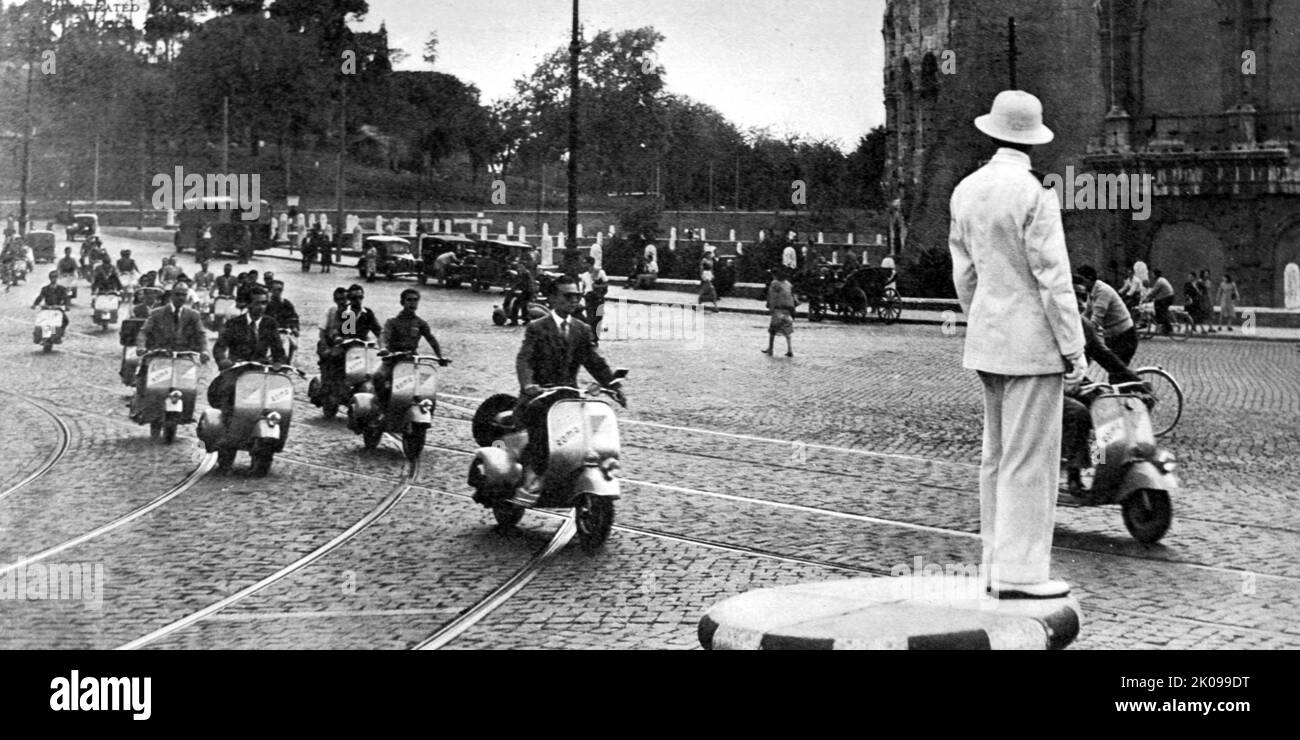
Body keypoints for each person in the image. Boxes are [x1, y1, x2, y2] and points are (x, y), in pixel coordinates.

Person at [948, 89, 1085, 600]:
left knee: (996, 456)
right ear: (1033, 140)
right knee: (1031, 460)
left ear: (992, 131)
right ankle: (1022, 574)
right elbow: (1055, 280)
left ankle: (993, 565)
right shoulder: (1034, 194)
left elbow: (964, 275)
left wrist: (981, 319)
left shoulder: (965, 191)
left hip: (988, 341)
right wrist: (1074, 349)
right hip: (1033, 346)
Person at [512, 276, 619, 506]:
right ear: (552, 298)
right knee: (541, 431)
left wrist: (612, 384)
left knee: (587, 432)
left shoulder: (581, 329)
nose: (573, 300)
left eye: (577, 296)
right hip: (539, 397)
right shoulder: (536, 328)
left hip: (568, 396)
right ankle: (533, 476)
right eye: (567, 296)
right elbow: (525, 359)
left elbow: (593, 360)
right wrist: (528, 385)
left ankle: (571, 471)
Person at [1061, 283, 1145, 496]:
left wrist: (1136, 381)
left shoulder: (1085, 326)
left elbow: (1106, 357)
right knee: (1079, 414)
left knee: (1108, 405)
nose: (1079, 302)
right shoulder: (1055, 325)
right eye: (1074, 296)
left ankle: (1103, 464)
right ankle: (1073, 475)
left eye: (1084, 297)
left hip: (1077, 382)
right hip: (1050, 386)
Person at [134, 281, 210, 418]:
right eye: (178, 294)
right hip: (160, 354)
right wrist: (141, 347)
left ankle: (188, 410)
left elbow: (202, 334)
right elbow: (144, 331)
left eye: (184, 295)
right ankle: (140, 408)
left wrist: (204, 351)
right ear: (171, 295)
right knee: (143, 377)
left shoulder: (193, 315)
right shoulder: (157, 313)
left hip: (184, 356)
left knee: (193, 383)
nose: (181, 298)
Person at [208, 285, 286, 411]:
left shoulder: (270, 323)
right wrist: (223, 360)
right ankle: (228, 423)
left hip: (261, 370)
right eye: (257, 303)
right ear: (248, 304)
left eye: (264, 303)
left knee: (276, 399)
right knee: (228, 393)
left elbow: (278, 350)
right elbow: (219, 347)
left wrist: (279, 363)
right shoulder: (234, 323)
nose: (261, 307)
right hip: (237, 369)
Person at [374, 289, 450, 405]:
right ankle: (382, 406)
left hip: (412, 360)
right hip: (393, 360)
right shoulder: (392, 322)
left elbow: (431, 339)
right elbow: (383, 336)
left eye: (415, 300)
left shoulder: (420, 323)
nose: (412, 303)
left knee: (425, 387)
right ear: (402, 302)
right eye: (409, 300)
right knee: (379, 377)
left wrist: (440, 357)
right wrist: (383, 349)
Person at [1075, 265, 1137, 367]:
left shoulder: (1102, 291)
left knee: (1117, 373)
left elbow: (1095, 320)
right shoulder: (1092, 291)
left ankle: (1141, 383)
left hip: (1124, 336)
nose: (1081, 284)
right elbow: (1087, 314)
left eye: (1082, 280)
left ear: (1090, 278)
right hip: (1112, 336)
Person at [762, 267, 797, 357]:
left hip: (778, 309)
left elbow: (772, 297)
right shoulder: (788, 284)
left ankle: (770, 348)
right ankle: (790, 349)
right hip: (788, 309)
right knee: (787, 331)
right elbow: (792, 296)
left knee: (772, 330)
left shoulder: (775, 283)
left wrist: (771, 308)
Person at [31, 270, 71, 339]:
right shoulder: (45, 289)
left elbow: (66, 298)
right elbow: (40, 297)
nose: (54, 279)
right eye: (52, 277)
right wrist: (35, 304)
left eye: (55, 277)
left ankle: (61, 333)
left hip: (57, 308)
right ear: (49, 278)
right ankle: (42, 335)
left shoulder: (62, 289)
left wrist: (67, 305)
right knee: (42, 321)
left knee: (65, 321)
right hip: (47, 308)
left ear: (58, 278)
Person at [580, 255, 609, 341]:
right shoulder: (584, 275)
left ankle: (596, 337)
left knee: (598, 318)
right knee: (590, 318)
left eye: (585, 263)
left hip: (598, 297)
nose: (583, 265)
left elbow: (606, 284)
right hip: (589, 298)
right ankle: (591, 337)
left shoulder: (600, 272)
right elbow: (583, 287)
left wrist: (597, 286)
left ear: (589, 264)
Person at [1147, 269, 1175, 335]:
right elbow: (1156, 292)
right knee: (1161, 308)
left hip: (1167, 297)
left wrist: (1147, 298)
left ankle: (1166, 326)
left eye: (1152, 274)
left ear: (1156, 275)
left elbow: (1153, 291)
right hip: (1169, 297)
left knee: (1159, 309)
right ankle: (1165, 328)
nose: (1151, 275)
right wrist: (1151, 297)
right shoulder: (1162, 279)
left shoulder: (1159, 281)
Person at [698, 248, 719, 313]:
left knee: (710, 291)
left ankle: (715, 306)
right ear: (706, 254)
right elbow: (701, 268)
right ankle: (715, 306)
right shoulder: (704, 260)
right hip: (705, 274)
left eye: (710, 254)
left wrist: (712, 275)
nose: (710, 255)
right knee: (710, 290)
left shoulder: (711, 261)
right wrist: (702, 275)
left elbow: (712, 269)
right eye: (708, 254)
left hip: (709, 274)